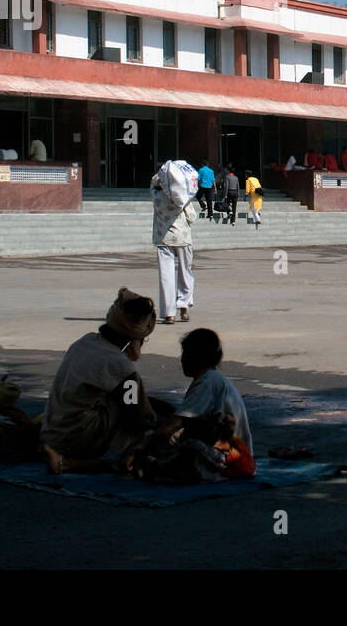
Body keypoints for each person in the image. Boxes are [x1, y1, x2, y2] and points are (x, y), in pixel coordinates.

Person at [41, 287, 159, 474]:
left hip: (53, 430)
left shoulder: (85, 341)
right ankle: (77, 463)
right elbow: (133, 418)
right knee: (139, 433)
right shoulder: (121, 366)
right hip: (75, 438)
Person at [170, 328, 255, 477]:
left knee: (164, 442)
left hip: (230, 460)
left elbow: (176, 423)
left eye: (184, 354)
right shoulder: (214, 378)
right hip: (239, 456)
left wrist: (140, 446)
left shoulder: (207, 382)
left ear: (193, 357)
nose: (181, 359)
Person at [152, 161, 199, 325]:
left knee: (166, 275)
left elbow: (154, 184)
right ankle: (184, 306)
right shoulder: (182, 197)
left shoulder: (156, 195)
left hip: (163, 238)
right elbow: (192, 217)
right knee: (185, 271)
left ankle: (169, 314)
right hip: (183, 237)